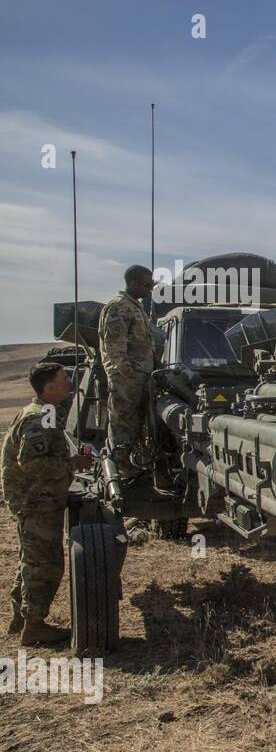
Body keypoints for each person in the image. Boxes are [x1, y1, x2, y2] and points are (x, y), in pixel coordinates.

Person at [1, 363, 88, 646]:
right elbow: (31, 463)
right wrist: (74, 463)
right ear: (49, 387)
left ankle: (21, 618)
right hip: (36, 500)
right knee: (45, 564)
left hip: (37, 498)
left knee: (32, 559)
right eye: (64, 378)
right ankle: (35, 626)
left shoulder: (46, 412)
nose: (69, 381)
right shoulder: (39, 417)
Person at [98, 265, 156, 478]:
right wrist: (126, 373)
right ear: (133, 283)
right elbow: (115, 347)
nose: (149, 289)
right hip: (127, 377)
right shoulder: (118, 307)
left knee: (137, 419)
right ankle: (120, 462)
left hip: (140, 375)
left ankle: (133, 459)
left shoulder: (135, 307)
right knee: (123, 417)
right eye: (147, 285)